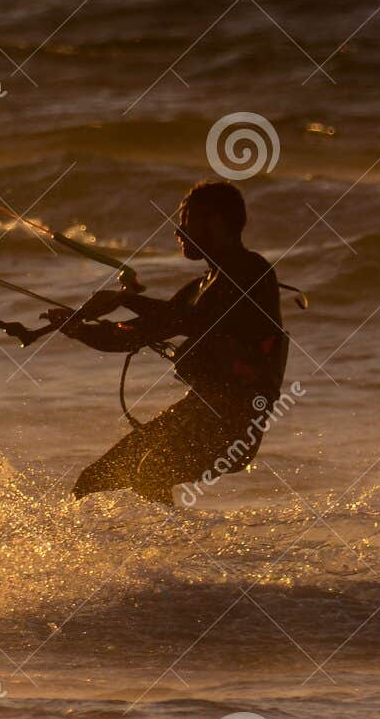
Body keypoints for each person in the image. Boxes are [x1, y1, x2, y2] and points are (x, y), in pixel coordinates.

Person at [47, 180, 287, 504]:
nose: (178, 230)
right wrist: (76, 328)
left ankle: (175, 553)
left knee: (151, 473)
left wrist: (123, 300)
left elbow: (191, 319)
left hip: (235, 423)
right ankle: (141, 552)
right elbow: (136, 334)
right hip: (198, 411)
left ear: (215, 221)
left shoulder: (251, 271)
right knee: (92, 481)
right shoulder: (199, 286)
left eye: (186, 219)